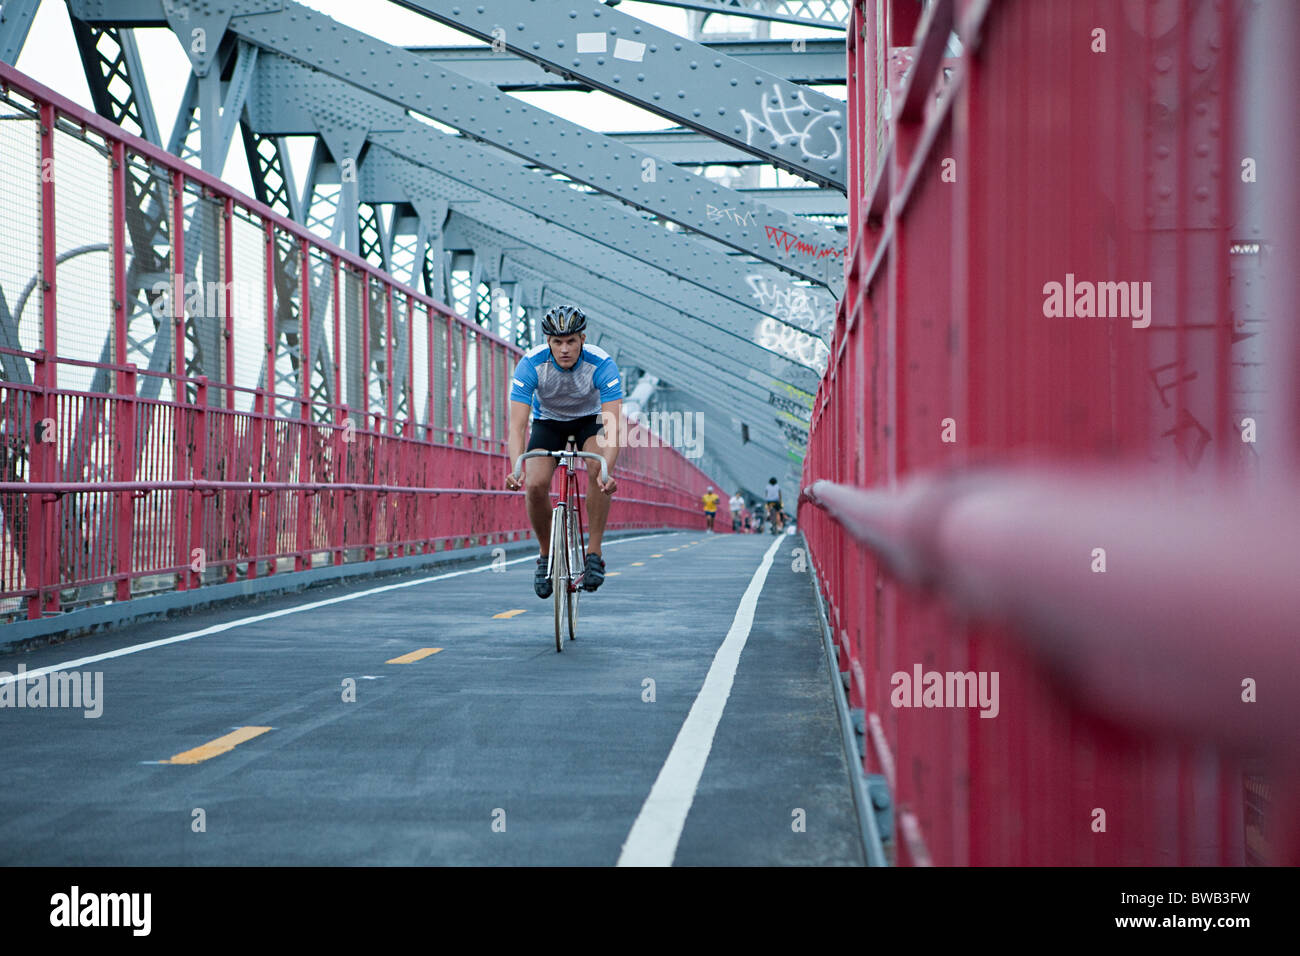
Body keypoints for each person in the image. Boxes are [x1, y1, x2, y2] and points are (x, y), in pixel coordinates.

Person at [504, 305, 621, 598]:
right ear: (548, 343)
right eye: (557, 342)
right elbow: (517, 427)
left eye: (571, 341)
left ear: (583, 338)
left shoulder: (602, 363)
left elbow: (613, 426)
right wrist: (515, 467)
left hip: (589, 422)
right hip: (548, 423)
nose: (565, 349)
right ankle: (546, 556)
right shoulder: (531, 365)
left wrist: (608, 470)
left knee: (597, 471)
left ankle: (593, 553)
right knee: (535, 484)